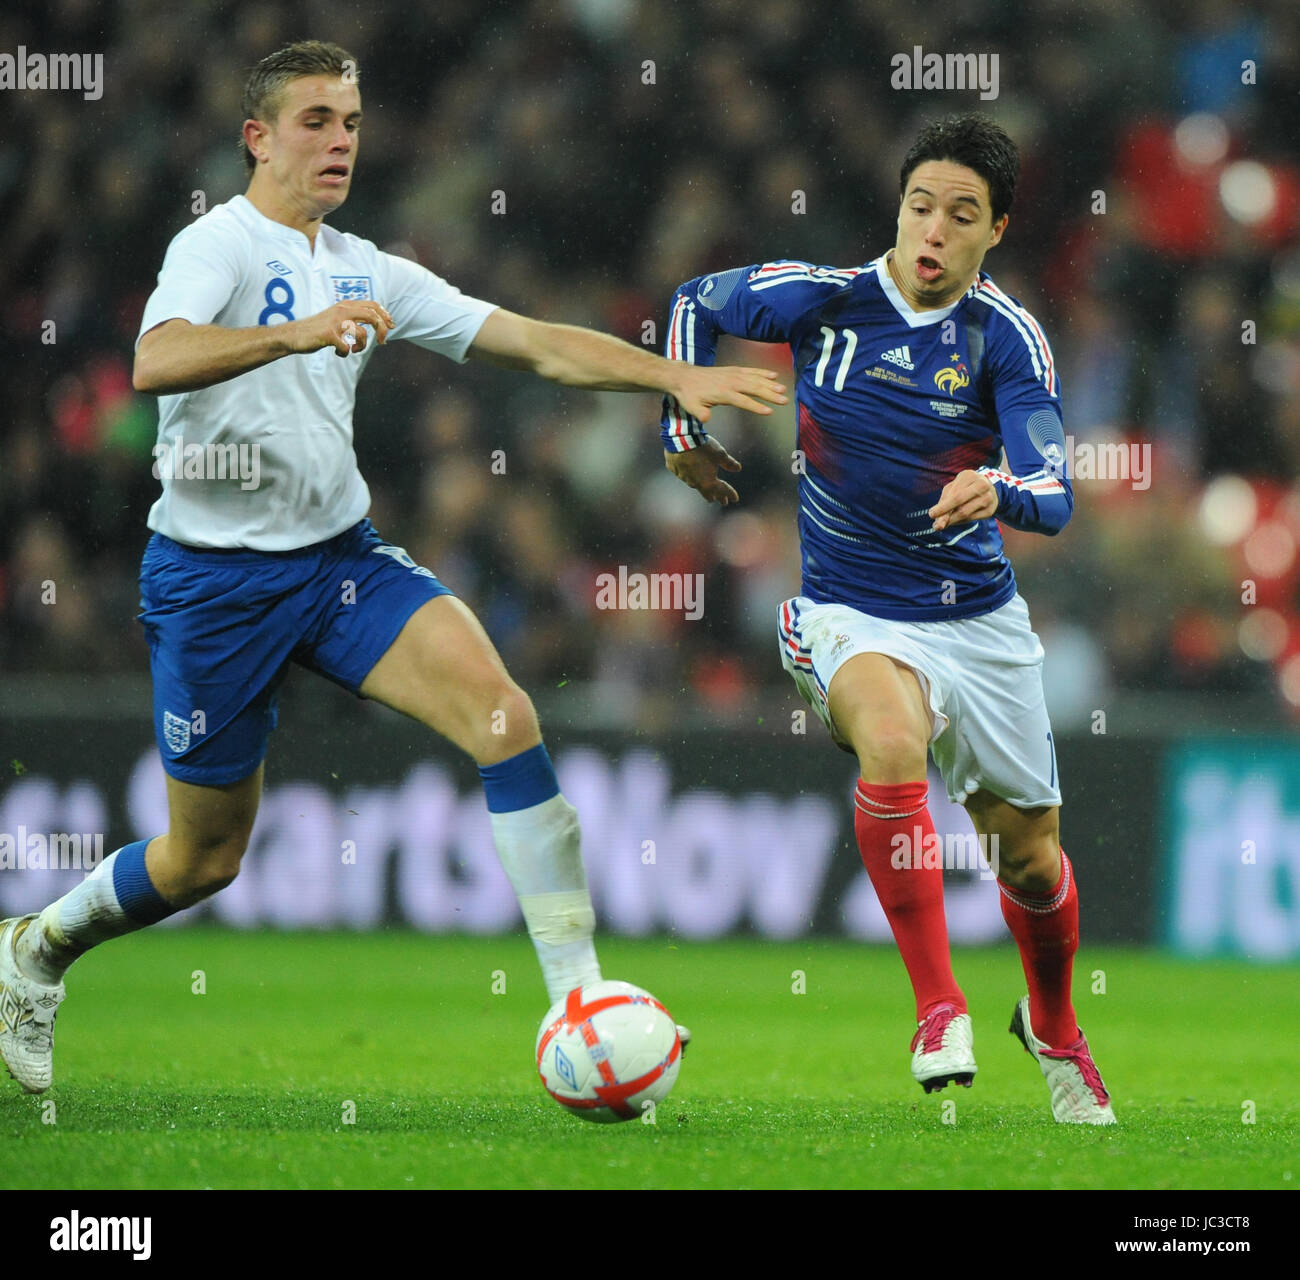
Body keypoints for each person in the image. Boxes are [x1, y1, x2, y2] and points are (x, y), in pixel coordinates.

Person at [0, 40, 785, 1095]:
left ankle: (578, 996)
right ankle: (37, 948)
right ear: (258, 137)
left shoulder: (368, 264)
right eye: (315, 121)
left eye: (353, 123)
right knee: (203, 856)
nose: (338, 143)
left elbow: (532, 343)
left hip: (337, 565)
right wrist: (295, 336)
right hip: (214, 583)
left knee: (506, 716)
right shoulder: (217, 245)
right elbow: (156, 358)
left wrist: (673, 373)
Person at [658, 113, 1115, 1124]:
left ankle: (1050, 1023)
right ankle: (935, 1003)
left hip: (978, 624)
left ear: (994, 229)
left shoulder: (1005, 337)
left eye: (961, 214)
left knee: (1030, 859)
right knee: (893, 741)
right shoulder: (823, 301)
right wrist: (680, 420)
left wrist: (995, 486)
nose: (934, 230)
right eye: (920, 205)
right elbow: (695, 301)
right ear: (898, 210)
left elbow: (1053, 488)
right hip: (850, 609)